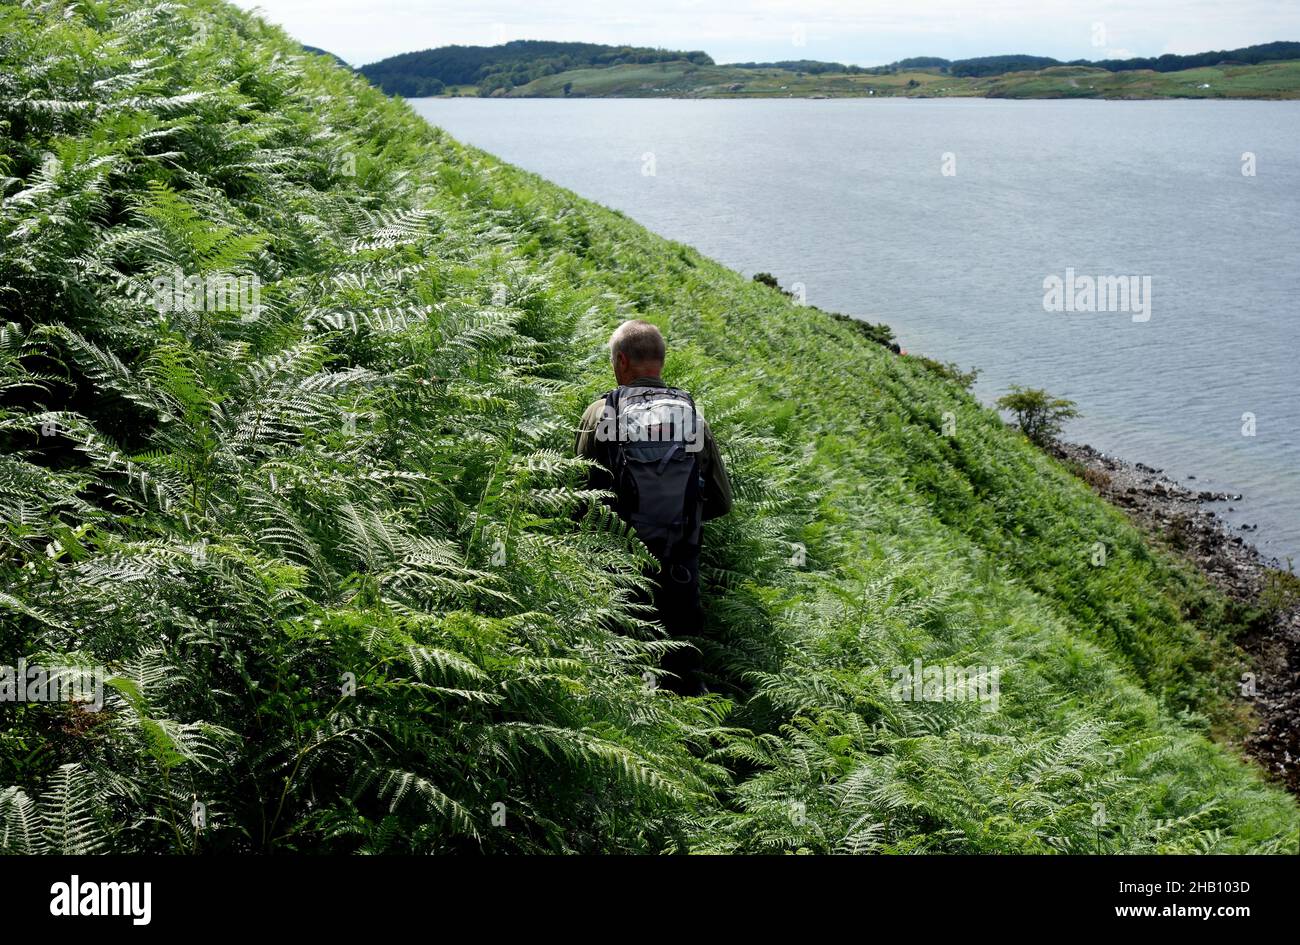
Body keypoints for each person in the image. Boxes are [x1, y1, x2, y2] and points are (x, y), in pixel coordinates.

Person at [574, 320, 732, 695]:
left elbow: (579, 500)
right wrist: (678, 520)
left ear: (622, 361)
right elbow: (721, 501)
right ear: (661, 362)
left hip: (618, 568)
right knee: (681, 666)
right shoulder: (692, 417)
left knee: (621, 668)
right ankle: (696, 737)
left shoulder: (600, 414)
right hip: (680, 564)